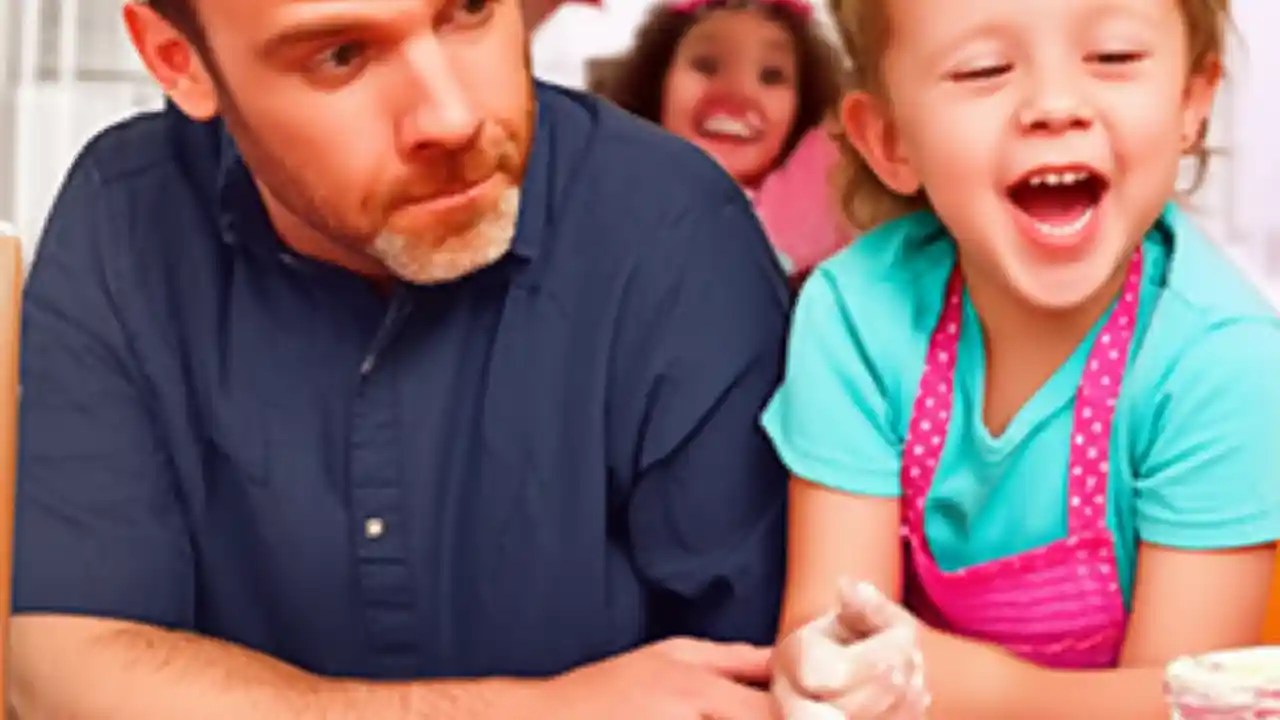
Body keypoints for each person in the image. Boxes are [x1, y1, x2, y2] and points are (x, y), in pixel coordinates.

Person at [8, 0, 792, 718]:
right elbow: (56, 669)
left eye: (472, 10)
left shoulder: (674, 230)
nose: (451, 117)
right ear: (179, 59)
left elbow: (759, 686)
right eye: (341, 55)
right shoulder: (126, 213)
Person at [764, 0, 1280, 718]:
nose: (1055, 105)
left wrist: (963, 685)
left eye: (1114, 57)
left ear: (1192, 103)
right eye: (984, 69)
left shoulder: (1224, 360)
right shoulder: (854, 313)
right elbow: (831, 627)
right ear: (890, 140)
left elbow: (1192, 705)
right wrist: (820, 672)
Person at [601, 0, 850, 285]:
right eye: (706, 65)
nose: (738, 94)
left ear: (803, 108)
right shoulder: (599, 199)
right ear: (657, 83)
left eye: (771, 76)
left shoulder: (835, 248)